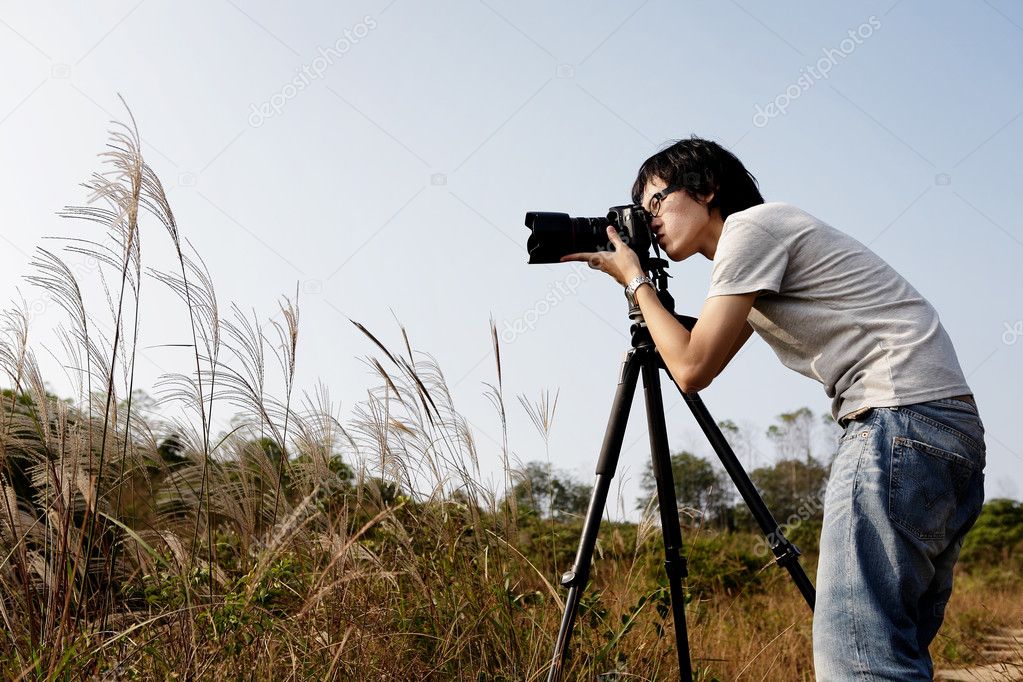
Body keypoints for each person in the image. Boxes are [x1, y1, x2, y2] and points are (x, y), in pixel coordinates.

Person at [561, 136, 986, 680]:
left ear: (707, 188)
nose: (652, 222)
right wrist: (644, 295)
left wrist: (634, 281)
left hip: (896, 419)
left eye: (656, 203)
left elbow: (691, 369)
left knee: (860, 661)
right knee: (892, 651)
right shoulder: (757, 253)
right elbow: (701, 351)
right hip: (943, 432)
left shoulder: (750, 229)